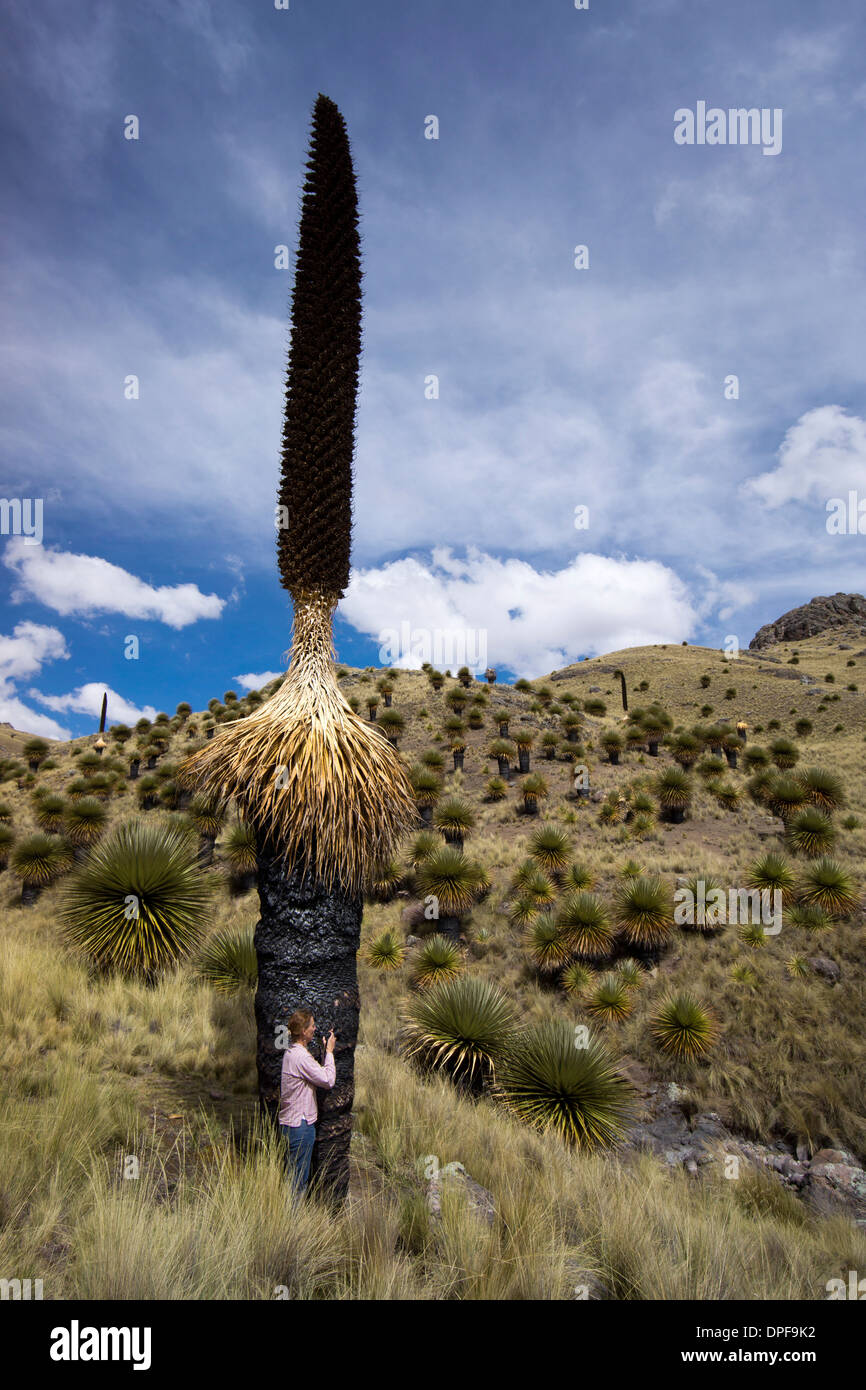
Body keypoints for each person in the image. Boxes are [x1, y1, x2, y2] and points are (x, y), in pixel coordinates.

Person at [279, 1008, 336, 1194]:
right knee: (298, 1182)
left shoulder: (289, 1053)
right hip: (300, 1127)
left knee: (290, 1176)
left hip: (288, 1124)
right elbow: (327, 1080)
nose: (315, 1028)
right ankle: (293, 1221)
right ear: (303, 1031)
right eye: (312, 1025)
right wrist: (329, 1052)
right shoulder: (301, 1057)